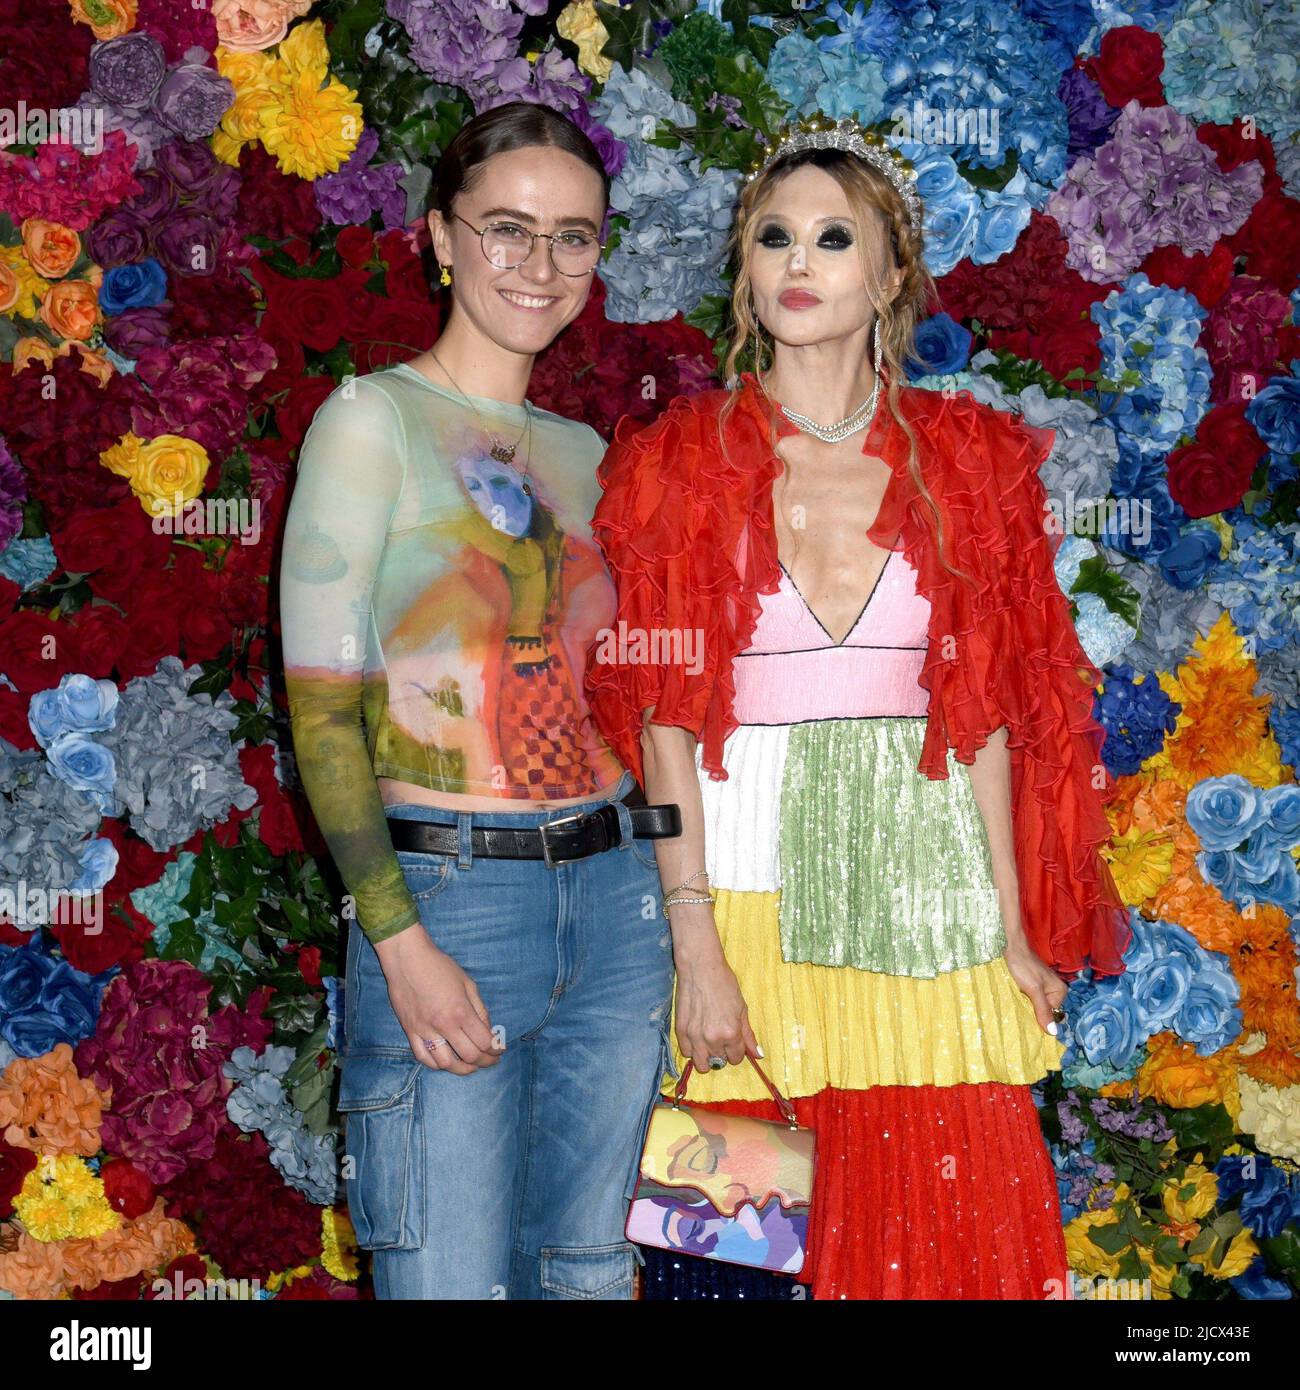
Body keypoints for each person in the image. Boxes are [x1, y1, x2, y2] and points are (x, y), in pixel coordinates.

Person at [584, 115, 1131, 1300]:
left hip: (927, 893)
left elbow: (981, 719)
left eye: (833, 238)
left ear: (889, 276)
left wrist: (1014, 924)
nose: (797, 260)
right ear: (742, 267)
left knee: (950, 1237)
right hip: (748, 896)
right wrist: (695, 945)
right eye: (773, 235)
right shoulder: (677, 461)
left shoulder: (968, 461)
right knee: (751, 1255)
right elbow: (661, 723)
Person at [278, 101, 681, 1301]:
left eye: (573, 236)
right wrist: (398, 938)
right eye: (506, 229)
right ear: (440, 240)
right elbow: (319, 712)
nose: (539, 265)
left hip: (618, 906)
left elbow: (631, 685)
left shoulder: (589, 452)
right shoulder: (370, 420)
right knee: (447, 1282)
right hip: (455, 897)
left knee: (585, 1273)